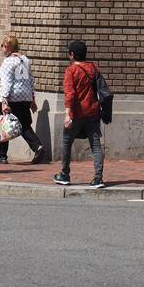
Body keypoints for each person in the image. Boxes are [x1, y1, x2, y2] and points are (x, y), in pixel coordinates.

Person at [54, 39, 104, 189]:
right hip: (93, 112)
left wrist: (68, 114)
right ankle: (98, 178)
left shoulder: (71, 71)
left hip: (77, 113)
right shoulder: (93, 68)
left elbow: (70, 94)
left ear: (72, 55)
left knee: (66, 142)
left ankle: (64, 174)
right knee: (95, 145)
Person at [0, 35, 45, 164]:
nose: (2, 48)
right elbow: (30, 80)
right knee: (24, 125)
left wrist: (4, 101)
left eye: (4, 46)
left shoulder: (8, 62)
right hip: (25, 97)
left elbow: (6, 83)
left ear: (9, 48)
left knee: (4, 126)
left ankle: (1, 156)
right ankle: (37, 146)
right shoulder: (25, 60)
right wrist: (32, 98)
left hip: (11, 98)